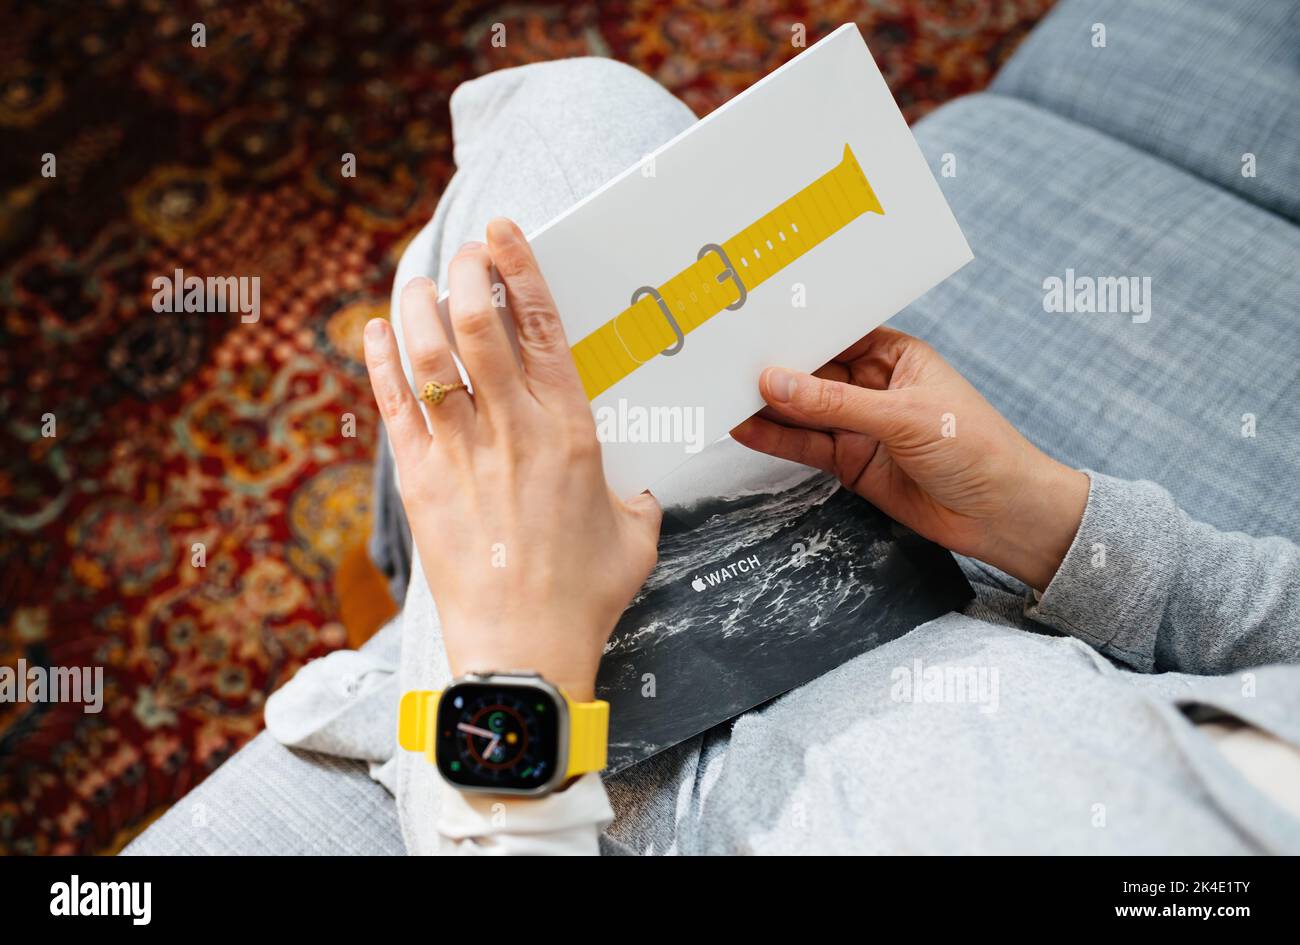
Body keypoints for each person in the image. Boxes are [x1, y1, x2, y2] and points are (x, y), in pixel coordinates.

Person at [360, 215, 1300, 856]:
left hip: (613, 764)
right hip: (942, 606)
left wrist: (511, 659)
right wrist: (1052, 518)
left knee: (480, 276)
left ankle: (407, 603)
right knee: (580, 137)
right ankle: (409, 599)